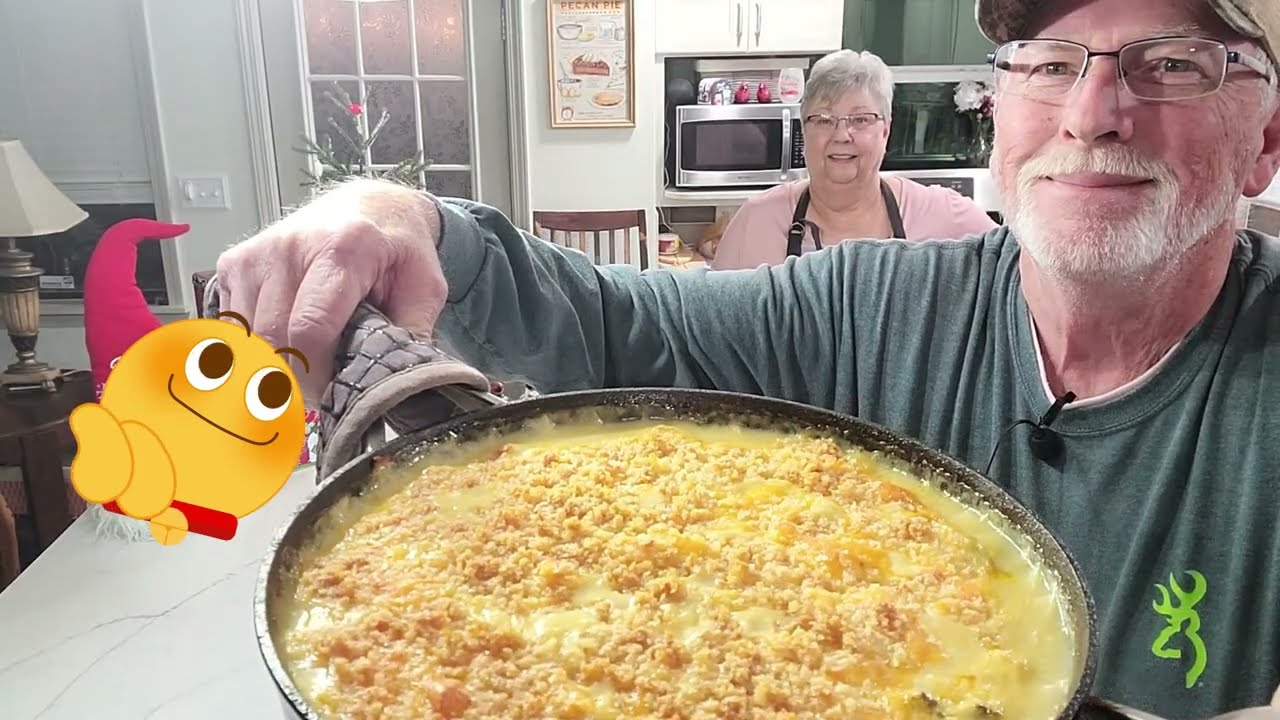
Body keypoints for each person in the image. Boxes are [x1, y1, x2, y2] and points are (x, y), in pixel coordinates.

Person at [212, 0, 1280, 716]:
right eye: (1049, 64)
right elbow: (606, 323)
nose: (1093, 113)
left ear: (1265, 141)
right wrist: (392, 214)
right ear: (999, 115)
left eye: (1172, 64)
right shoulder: (868, 306)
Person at [710, 49, 997, 270]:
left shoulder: (944, 217)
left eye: (861, 119)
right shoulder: (755, 222)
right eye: (824, 119)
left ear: (885, 130)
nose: (841, 135)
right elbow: (710, 324)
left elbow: (1016, 273)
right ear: (804, 131)